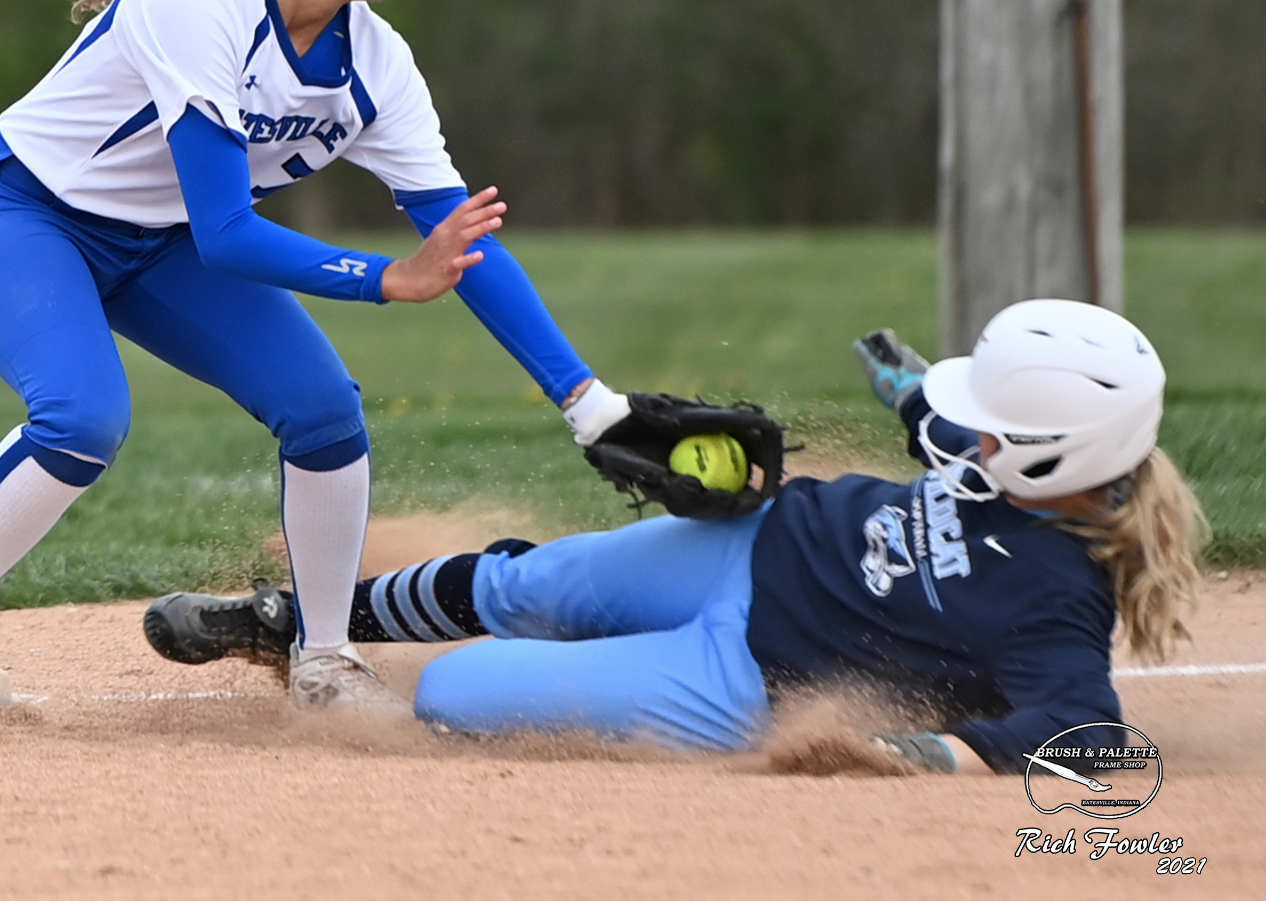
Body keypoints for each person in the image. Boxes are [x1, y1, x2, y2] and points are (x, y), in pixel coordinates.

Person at [0, 0, 634, 738]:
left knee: (323, 411)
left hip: (166, 241)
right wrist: (386, 279)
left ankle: (322, 655)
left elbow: (465, 240)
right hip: (25, 214)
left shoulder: (378, 66)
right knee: (83, 416)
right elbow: (230, 234)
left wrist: (589, 403)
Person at [148, 299, 1210, 773]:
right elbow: (931, 419)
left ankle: (547, 667)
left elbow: (1083, 729)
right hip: (750, 544)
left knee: (459, 693)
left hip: (744, 675)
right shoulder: (1003, 457)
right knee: (528, 580)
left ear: (1049, 451)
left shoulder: (1055, 596)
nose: (960, 424)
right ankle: (299, 623)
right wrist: (897, 379)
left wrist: (915, 753)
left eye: (988, 417)